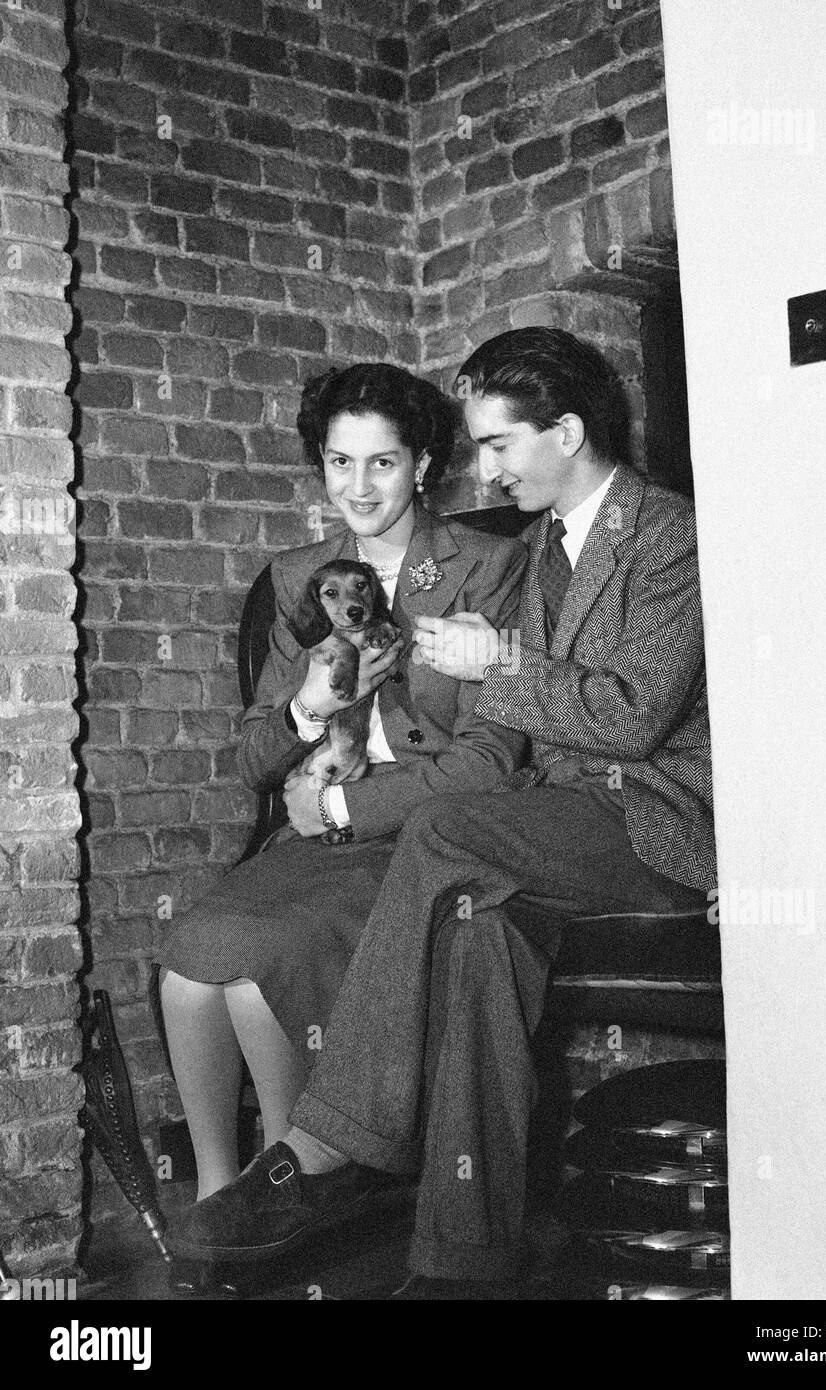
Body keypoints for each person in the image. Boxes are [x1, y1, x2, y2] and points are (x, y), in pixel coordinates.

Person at [166, 328, 717, 1299]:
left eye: (499, 445)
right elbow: (500, 725)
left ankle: (331, 1145)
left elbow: (628, 717)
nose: (489, 469)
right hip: (552, 817)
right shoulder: (543, 541)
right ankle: (459, 1264)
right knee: (475, 937)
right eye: (340, 461)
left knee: (446, 831)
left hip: (649, 819)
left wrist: (490, 666)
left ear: (567, 432)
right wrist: (331, 719)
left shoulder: (665, 532)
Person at [156, 363, 527, 1202]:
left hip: (428, 835)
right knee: (187, 970)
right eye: (338, 462)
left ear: (424, 464)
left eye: (382, 463)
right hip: (314, 831)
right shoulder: (299, 576)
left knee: (257, 977)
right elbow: (255, 758)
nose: (358, 487)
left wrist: (337, 805)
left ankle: (297, 1194)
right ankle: (222, 1200)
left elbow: (494, 757)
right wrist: (306, 711)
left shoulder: (492, 566)